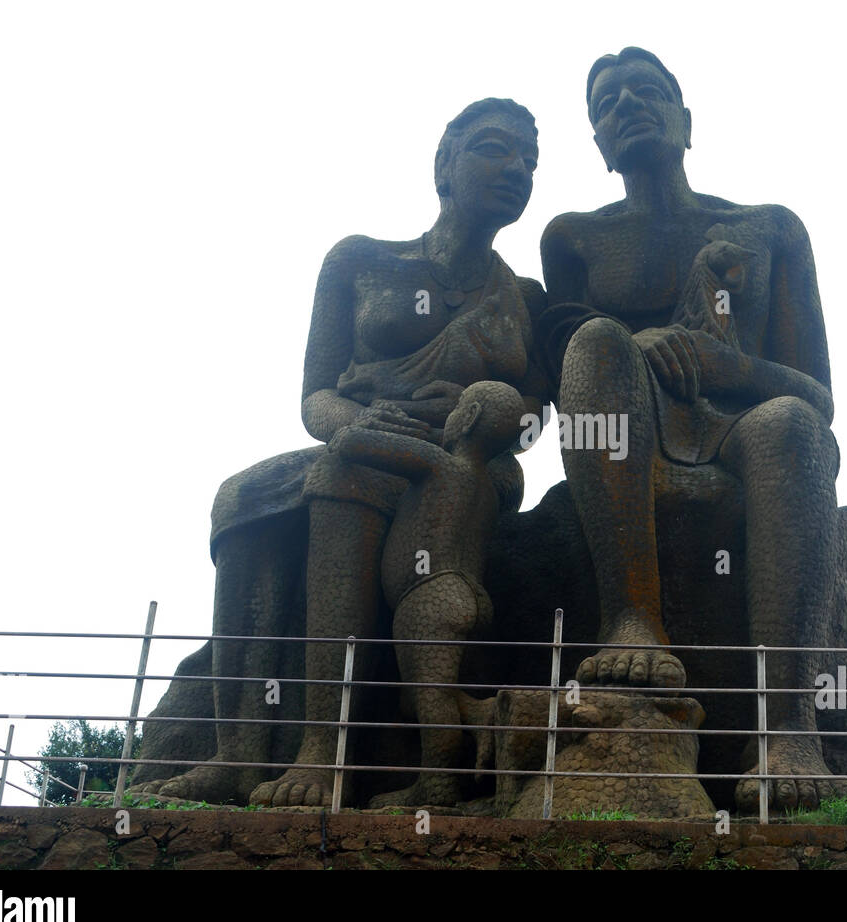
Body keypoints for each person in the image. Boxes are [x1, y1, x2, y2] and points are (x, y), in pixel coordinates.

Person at [143, 98, 549, 807]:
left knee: (345, 478)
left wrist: (478, 418)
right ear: (443, 165)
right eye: (495, 149)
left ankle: (320, 749)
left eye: (530, 160)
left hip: (467, 461)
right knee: (242, 497)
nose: (516, 168)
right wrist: (359, 424)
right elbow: (315, 398)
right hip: (363, 432)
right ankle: (236, 751)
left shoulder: (525, 298)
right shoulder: (361, 261)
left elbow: (535, 418)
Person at [537, 47, 847, 810]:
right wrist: (642, 347)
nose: (627, 107)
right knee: (598, 343)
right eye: (607, 103)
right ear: (599, 144)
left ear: (686, 121)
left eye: (647, 93)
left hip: (743, 427)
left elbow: (817, 395)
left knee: (792, 428)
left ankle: (787, 729)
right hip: (628, 432)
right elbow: (568, 378)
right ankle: (633, 617)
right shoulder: (572, 238)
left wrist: (724, 366)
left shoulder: (768, 229)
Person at [330, 380, 528, 807]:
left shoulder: (439, 463)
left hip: (430, 596)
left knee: (430, 697)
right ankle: (490, 714)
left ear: (470, 418)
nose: (450, 416)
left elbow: (348, 442)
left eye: (456, 410)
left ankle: (436, 785)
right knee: (415, 697)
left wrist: (393, 417)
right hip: (467, 595)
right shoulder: (487, 489)